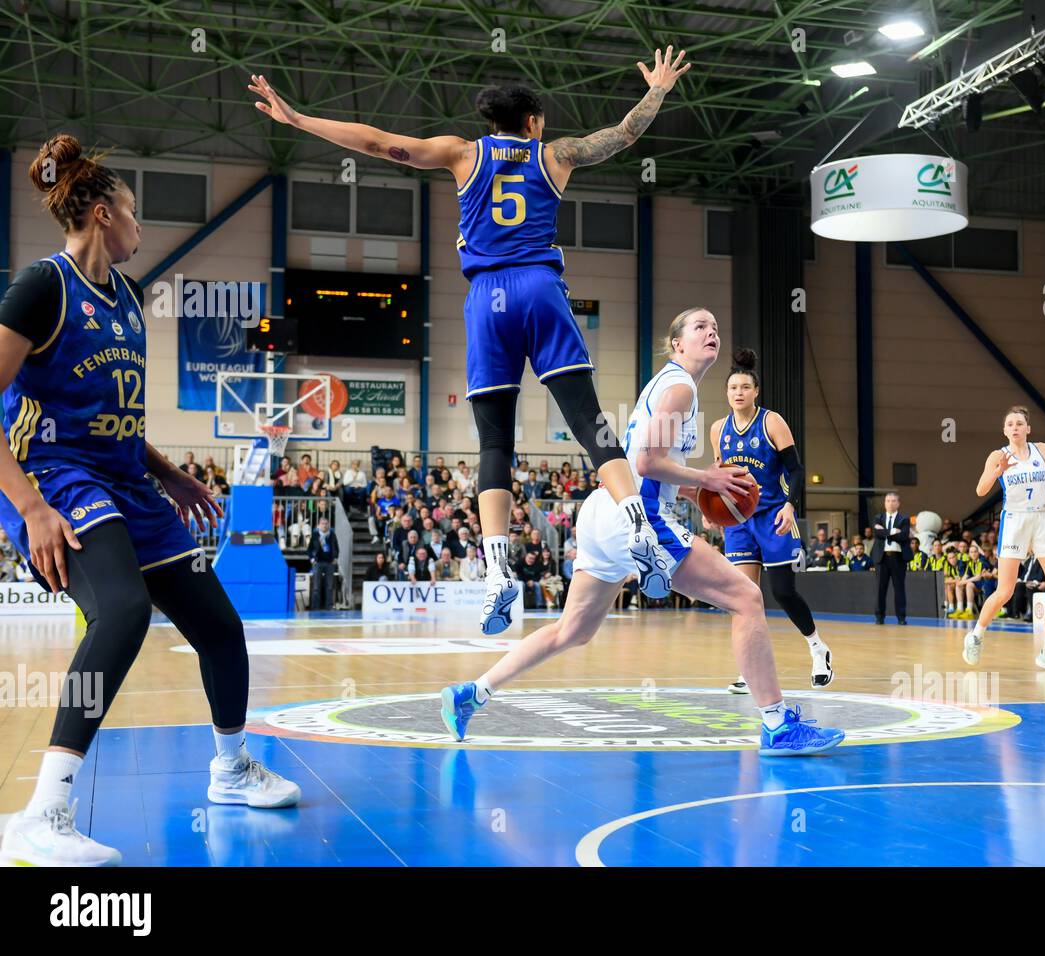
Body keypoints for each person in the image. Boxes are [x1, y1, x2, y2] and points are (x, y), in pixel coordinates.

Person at [249, 48, 693, 636]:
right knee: (589, 423)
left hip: (489, 300)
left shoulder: (464, 153)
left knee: (494, 442)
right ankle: (639, 526)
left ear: (494, 123)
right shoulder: (556, 155)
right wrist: (657, 89)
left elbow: (380, 142)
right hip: (541, 287)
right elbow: (624, 133)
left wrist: (301, 120)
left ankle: (497, 570)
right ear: (533, 122)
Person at [0, 136, 297, 867]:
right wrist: (32, 509)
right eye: (133, 216)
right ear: (102, 214)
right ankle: (45, 810)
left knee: (221, 626)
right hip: (55, 478)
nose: (140, 229)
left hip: (127, 479)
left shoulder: (127, 299)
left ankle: (229, 770)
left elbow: (118, 415)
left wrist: (167, 472)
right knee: (124, 610)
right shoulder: (43, 287)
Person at [439, 308, 844, 756]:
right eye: (699, 327)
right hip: (637, 514)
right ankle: (776, 725)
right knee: (746, 599)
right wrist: (707, 480)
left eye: (715, 328)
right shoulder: (678, 388)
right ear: (678, 344)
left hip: (602, 512)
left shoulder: (669, 385)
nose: (711, 333)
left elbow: (645, 463)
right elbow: (649, 463)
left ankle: (472, 693)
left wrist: (697, 496)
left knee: (572, 630)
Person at [709, 347, 830, 694]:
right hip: (738, 521)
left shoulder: (771, 421)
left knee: (782, 592)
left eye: (745, 387)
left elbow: (796, 470)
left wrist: (791, 505)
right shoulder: (718, 429)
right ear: (727, 392)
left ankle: (817, 648)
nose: (739, 393)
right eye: (733, 388)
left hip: (774, 514)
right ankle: (750, 671)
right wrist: (711, 510)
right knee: (743, 598)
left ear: (755, 391)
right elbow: (720, 474)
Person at [962, 406, 1045, 672]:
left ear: (1028, 429)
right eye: (1010, 424)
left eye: (1019, 423)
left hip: (1044, 519)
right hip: (1015, 521)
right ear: (1005, 430)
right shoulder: (998, 455)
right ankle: (975, 635)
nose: (1015, 427)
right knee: (1005, 591)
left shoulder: (1043, 450)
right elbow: (980, 490)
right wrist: (997, 471)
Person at [870, 492, 910, 626]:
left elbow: (903, 536)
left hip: (898, 558)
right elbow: (877, 533)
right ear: (884, 503)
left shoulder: (904, 518)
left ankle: (901, 617)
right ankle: (879, 617)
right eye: (888, 501)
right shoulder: (878, 517)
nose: (890, 503)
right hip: (882, 558)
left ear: (898, 503)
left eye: (893, 501)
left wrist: (885, 532)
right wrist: (893, 532)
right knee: (880, 589)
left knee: (899, 588)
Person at [307, 516, 339, 610]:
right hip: (318, 563)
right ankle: (315, 607)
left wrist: (336, 558)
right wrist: (312, 559)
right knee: (316, 587)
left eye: (326, 524)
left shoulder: (332, 534)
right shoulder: (315, 535)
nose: (324, 526)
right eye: (322, 524)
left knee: (329, 587)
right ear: (319, 525)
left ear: (328, 525)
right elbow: (309, 550)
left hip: (329, 563)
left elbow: (336, 548)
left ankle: (329, 606)